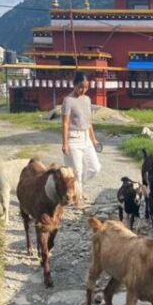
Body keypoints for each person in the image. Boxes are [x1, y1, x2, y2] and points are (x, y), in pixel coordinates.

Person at [62, 71, 101, 207]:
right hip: (73, 138)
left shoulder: (87, 99)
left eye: (86, 87)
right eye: (80, 87)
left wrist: (94, 139)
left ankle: (77, 187)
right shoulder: (68, 101)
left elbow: (88, 121)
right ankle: (78, 199)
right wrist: (65, 143)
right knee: (77, 170)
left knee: (95, 168)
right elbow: (65, 123)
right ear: (74, 84)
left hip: (86, 137)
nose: (83, 90)